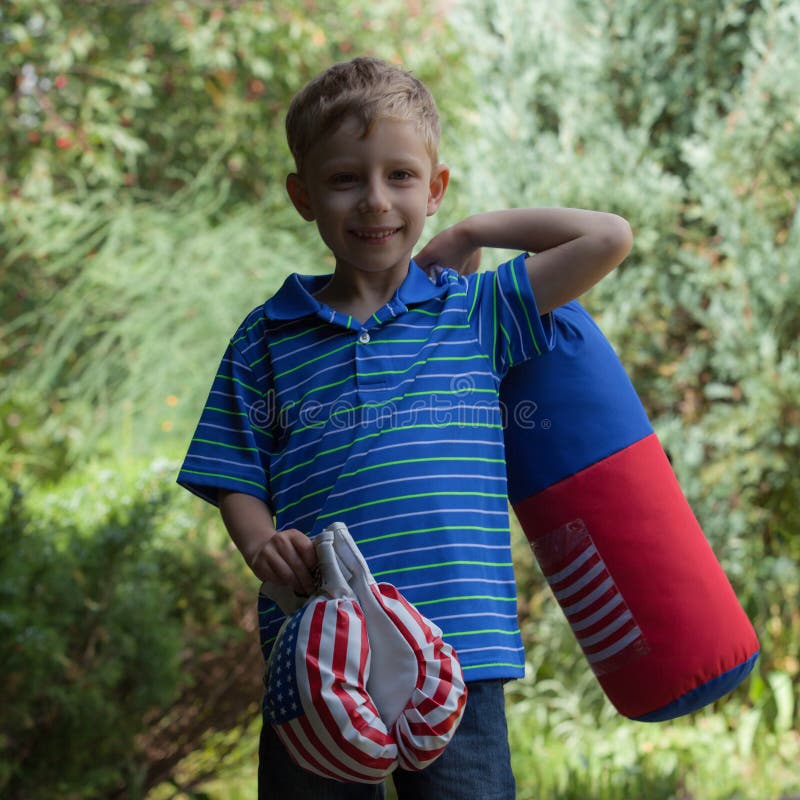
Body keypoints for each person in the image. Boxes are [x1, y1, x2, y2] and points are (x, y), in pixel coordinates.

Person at [177, 56, 633, 799]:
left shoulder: (476, 312)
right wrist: (261, 541)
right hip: (317, 656)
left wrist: (473, 229)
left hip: (457, 651)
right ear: (303, 195)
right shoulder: (266, 336)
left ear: (435, 187)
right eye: (345, 179)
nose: (374, 202)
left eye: (400, 177)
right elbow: (234, 471)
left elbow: (607, 236)